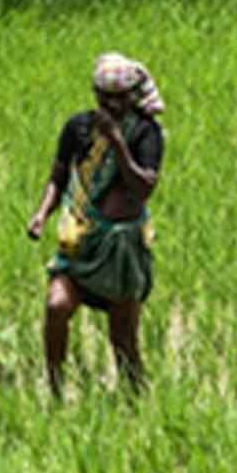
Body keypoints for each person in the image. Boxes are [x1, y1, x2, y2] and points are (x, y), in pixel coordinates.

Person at [26, 52, 165, 398]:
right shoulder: (78, 128)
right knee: (56, 306)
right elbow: (58, 177)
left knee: (124, 339)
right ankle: (55, 387)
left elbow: (143, 188)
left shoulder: (146, 133)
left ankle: (137, 402)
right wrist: (42, 213)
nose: (112, 104)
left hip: (120, 248)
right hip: (81, 237)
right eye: (105, 97)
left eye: (120, 97)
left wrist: (117, 143)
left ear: (134, 96)